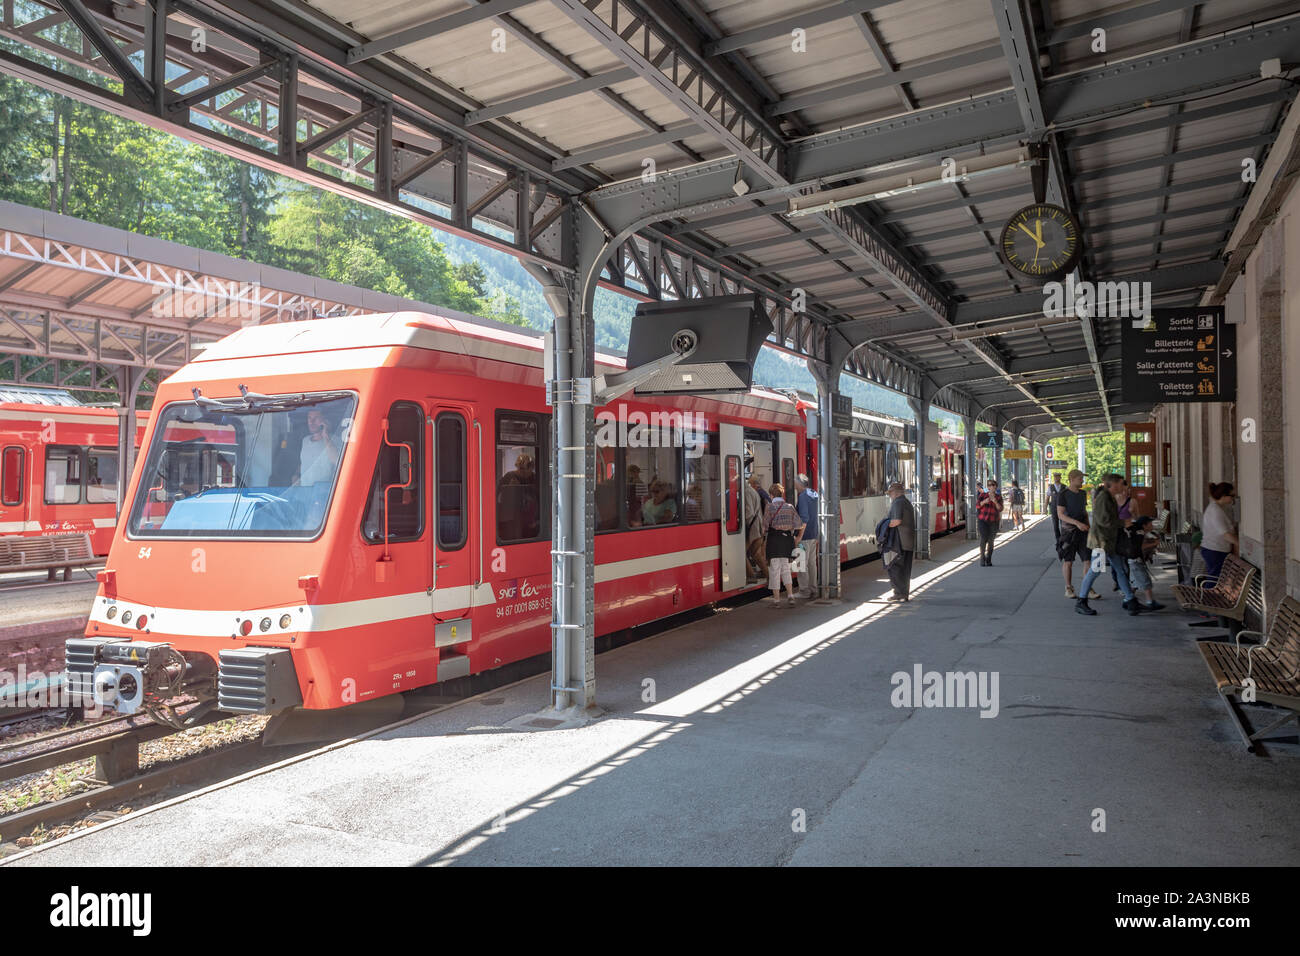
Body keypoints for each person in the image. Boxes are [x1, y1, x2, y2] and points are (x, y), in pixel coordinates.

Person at [1074, 473, 1140, 616]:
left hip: (1108, 542)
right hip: (1101, 542)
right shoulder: (1104, 498)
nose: (1123, 487)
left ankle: (1130, 599)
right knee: (1095, 571)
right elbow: (1103, 520)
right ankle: (1081, 601)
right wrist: (1123, 523)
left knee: (1120, 570)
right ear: (1114, 484)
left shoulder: (1109, 497)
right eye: (1121, 484)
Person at [1056, 469, 1098, 600]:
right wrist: (1076, 523)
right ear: (1072, 479)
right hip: (1069, 532)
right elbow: (1060, 514)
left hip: (1083, 531)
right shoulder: (1063, 494)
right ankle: (1068, 588)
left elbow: (1084, 511)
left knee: (1088, 560)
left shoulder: (1082, 493)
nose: (1082, 480)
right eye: (1080, 478)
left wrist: (1089, 527)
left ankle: (1087, 587)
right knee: (1068, 561)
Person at [762, 482, 804, 607]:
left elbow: (764, 526)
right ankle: (790, 596)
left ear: (771, 494)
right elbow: (798, 524)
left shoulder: (769, 507)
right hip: (787, 541)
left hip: (774, 540)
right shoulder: (790, 507)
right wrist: (791, 532)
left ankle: (776, 600)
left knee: (774, 569)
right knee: (786, 568)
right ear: (782, 493)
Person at [1200, 482, 1239, 582]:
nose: (1233, 498)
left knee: (1215, 579)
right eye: (1232, 495)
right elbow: (1225, 534)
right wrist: (1239, 543)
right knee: (1215, 581)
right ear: (1224, 496)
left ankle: (1208, 597)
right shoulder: (1215, 511)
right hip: (1215, 551)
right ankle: (1208, 598)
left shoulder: (1217, 508)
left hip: (1215, 550)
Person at [885, 481, 916, 601]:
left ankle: (898, 593)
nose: (890, 496)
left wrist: (885, 525)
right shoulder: (906, 502)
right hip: (908, 541)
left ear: (895, 493)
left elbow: (897, 521)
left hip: (899, 542)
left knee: (894, 566)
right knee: (905, 569)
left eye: (890, 494)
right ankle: (904, 593)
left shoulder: (898, 503)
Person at [297, 407, 341, 485]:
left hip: (324, 491)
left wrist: (326, 436)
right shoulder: (305, 441)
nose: (311, 422)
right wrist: (296, 475)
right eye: (309, 418)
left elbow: (336, 461)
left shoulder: (335, 440)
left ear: (324, 421)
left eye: (316, 418)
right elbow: (304, 462)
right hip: (304, 490)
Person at [793, 473, 820, 599]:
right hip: (813, 534)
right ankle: (813, 588)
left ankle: (804, 590)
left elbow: (804, 518)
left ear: (799, 484)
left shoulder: (803, 496)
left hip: (804, 536)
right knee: (811, 563)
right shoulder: (814, 494)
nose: (794, 485)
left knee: (800, 563)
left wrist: (799, 536)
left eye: (795, 483)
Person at [744, 470, 767, 580]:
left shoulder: (747, 492)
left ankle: (751, 576)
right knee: (755, 554)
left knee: (741, 553)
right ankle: (770, 578)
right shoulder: (756, 492)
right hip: (759, 527)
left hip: (753, 529)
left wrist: (741, 522)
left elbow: (749, 513)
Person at [976, 478, 1003, 566]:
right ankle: (982, 557)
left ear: (995, 487)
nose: (991, 487)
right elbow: (977, 505)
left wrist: (995, 502)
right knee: (983, 538)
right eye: (989, 485)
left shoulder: (998, 497)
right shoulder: (983, 495)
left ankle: (989, 558)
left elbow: (1000, 509)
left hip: (994, 521)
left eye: (992, 485)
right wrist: (984, 502)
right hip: (983, 520)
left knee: (991, 541)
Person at [1047, 472, 1063, 542]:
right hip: (1054, 509)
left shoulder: (1064, 487)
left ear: (1060, 477)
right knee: (1055, 525)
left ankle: (1063, 538)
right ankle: (1058, 539)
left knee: (1063, 525)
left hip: (1063, 509)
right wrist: (1045, 508)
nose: (1057, 478)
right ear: (1054, 478)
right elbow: (1047, 497)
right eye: (1055, 477)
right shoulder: (1051, 487)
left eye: (1058, 476)